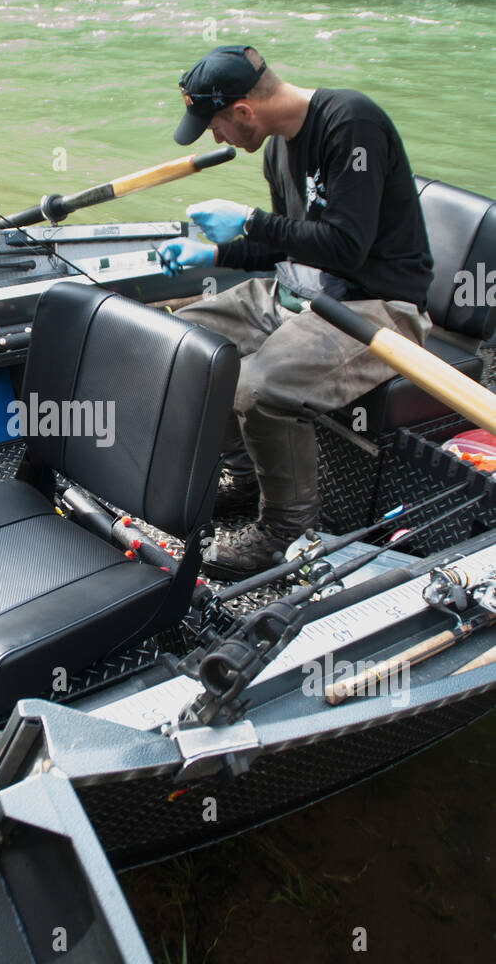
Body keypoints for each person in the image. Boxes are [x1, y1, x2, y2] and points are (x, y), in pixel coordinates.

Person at [159, 43, 433, 581]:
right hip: (298, 291)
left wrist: (250, 221)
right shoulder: (277, 147)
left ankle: (284, 530)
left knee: (260, 390)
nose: (216, 139)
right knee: (182, 342)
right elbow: (293, 245)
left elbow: (346, 247)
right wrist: (217, 254)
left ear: (243, 112)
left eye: (215, 125)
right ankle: (244, 475)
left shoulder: (351, 123)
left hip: (374, 306)